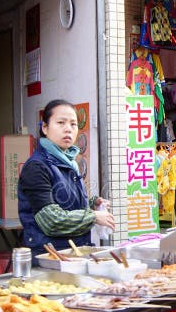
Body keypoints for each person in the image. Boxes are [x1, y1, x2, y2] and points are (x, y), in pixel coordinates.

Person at [18, 100, 115, 255]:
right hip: (49, 257)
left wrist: (91, 204)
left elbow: (64, 202)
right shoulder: (37, 167)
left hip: (74, 252)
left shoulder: (68, 162)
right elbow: (51, 221)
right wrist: (92, 216)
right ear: (45, 128)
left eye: (73, 124)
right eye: (61, 123)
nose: (68, 129)